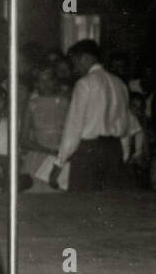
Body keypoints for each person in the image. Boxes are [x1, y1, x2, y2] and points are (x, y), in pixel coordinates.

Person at [51, 39, 139, 192]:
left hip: (89, 152)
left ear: (86, 58)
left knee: (83, 205)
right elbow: (125, 126)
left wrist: (59, 164)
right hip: (114, 151)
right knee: (108, 205)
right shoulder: (120, 84)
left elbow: (73, 128)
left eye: (75, 62)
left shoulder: (84, 84)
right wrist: (123, 156)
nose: (75, 68)